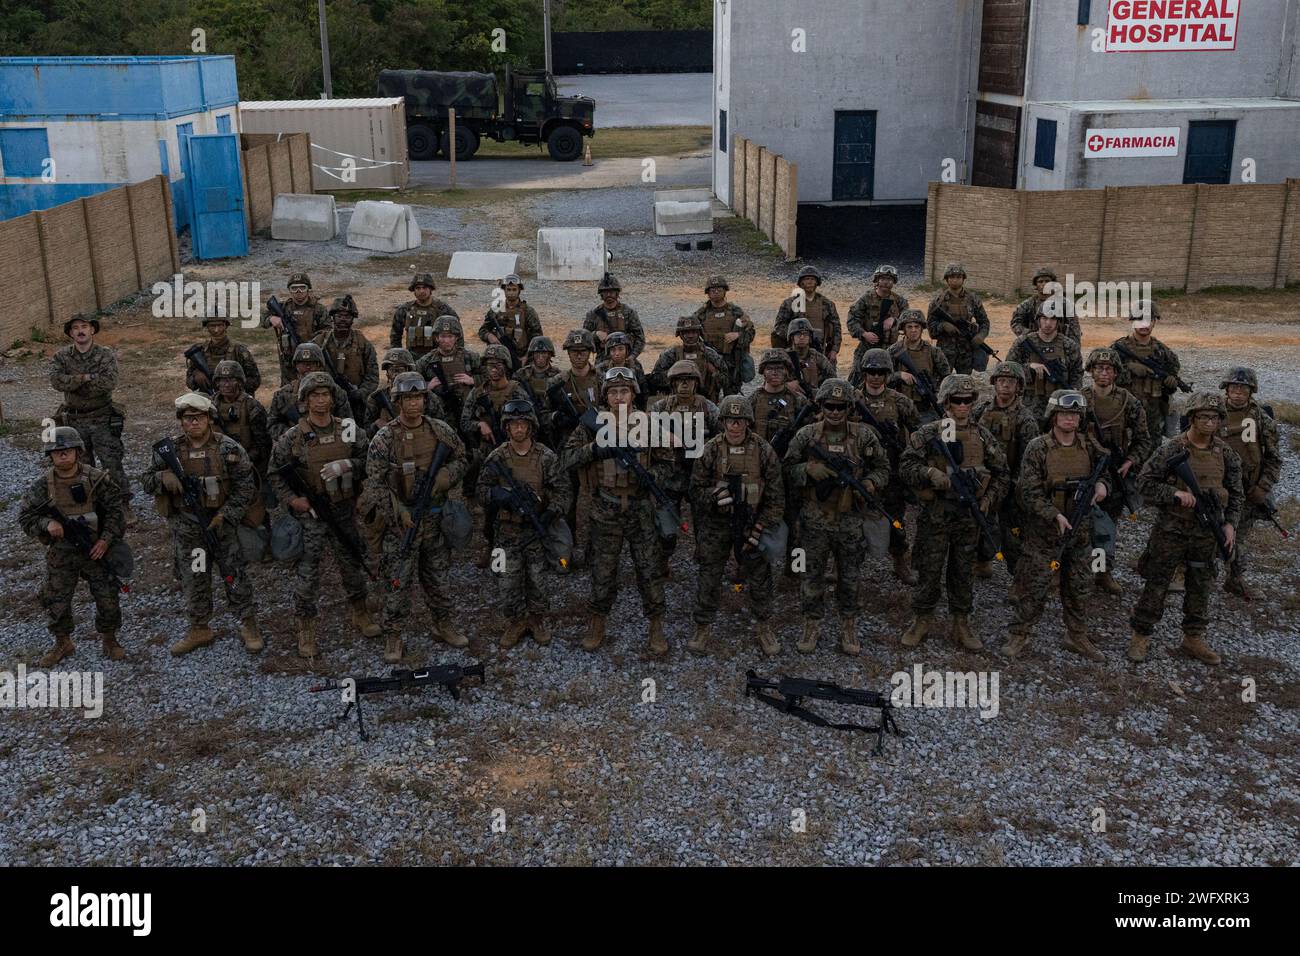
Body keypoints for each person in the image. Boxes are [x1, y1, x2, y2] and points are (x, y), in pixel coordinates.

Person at [360, 372, 470, 663]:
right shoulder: (384, 439)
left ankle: (442, 623)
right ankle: (393, 635)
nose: (414, 404)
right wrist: (399, 512)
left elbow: (462, 457)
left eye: (418, 397)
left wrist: (445, 476)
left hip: (433, 519)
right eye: (407, 398)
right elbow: (374, 483)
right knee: (397, 582)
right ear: (397, 402)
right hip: (401, 525)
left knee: (438, 578)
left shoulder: (440, 431)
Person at [268, 371, 379, 658]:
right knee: (308, 572)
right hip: (312, 517)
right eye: (314, 395)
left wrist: (348, 464)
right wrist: (294, 500)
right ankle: (305, 626)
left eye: (325, 394)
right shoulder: (292, 438)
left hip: (342, 510)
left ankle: (360, 612)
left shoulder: (349, 429)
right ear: (304, 401)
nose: (320, 400)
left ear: (333, 398)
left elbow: (371, 459)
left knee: (351, 563)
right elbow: (274, 474)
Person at [140, 392, 261, 656]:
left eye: (199, 418)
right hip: (189, 528)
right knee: (195, 578)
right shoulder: (169, 450)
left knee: (233, 575)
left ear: (209, 419)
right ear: (181, 421)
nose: (193, 423)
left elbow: (246, 487)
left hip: (222, 527)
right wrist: (164, 478)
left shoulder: (229, 448)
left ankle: (248, 623)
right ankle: (199, 628)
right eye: (188, 418)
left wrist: (226, 514)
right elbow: (146, 481)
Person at [1128, 392, 1243, 666]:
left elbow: (1237, 494)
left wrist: (1230, 525)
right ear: (1192, 418)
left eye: (1214, 418)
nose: (1209, 423)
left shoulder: (1225, 453)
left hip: (1207, 532)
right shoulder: (1171, 449)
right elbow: (1144, 482)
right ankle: (1140, 635)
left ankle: (1193, 637)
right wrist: (1174, 495)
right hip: (1172, 529)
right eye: (1203, 417)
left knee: (1201, 584)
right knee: (1157, 582)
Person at [899, 374, 1009, 651]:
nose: (962, 406)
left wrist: (988, 500)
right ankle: (921, 619)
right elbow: (905, 467)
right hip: (936, 514)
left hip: (968, 516)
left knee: (962, 572)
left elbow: (1002, 474)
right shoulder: (929, 433)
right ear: (946, 402)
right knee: (928, 569)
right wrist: (929, 472)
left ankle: (961, 622)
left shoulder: (983, 435)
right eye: (956, 401)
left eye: (968, 401)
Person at [562, 367, 666, 654]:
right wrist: (595, 449)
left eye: (625, 391)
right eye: (614, 392)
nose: (619, 397)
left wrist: (650, 476)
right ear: (606, 396)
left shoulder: (648, 423)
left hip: (640, 507)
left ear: (633, 394)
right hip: (605, 508)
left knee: (649, 569)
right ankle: (598, 621)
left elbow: (668, 464)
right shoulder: (590, 425)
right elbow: (567, 459)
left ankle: (656, 624)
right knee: (603, 570)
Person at [1003, 390, 1112, 661]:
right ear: (1053, 416)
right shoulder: (1038, 447)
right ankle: (1020, 633)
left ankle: (1076, 635)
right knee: (1034, 584)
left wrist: (1102, 486)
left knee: (1079, 585)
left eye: (1074, 415)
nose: (1069, 419)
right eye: (1064, 414)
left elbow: (1106, 472)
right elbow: (1028, 491)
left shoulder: (1089, 446)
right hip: (1044, 532)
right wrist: (1053, 515)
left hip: (1080, 529)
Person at [784, 379, 891, 656]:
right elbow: (785, 469)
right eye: (829, 406)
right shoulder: (806, 435)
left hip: (850, 520)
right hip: (814, 521)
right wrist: (807, 469)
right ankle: (811, 622)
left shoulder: (864, 436)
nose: (834, 412)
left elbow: (883, 467)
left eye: (840, 407)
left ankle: (848, 623)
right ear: (821, 406)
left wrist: (870, 483)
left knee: (850, 576)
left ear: (849, 408)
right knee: (811, 575)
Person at [19, 427, 127, 666]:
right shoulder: (42, 486)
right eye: (57, 453)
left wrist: (105, 540)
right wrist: (47, 523)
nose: (63, 456)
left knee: (108, 596)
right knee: (55, 598)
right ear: (51, 457)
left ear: (78, 452)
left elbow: (116, 513)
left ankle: (109, 639)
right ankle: (62, 642)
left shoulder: (97, 479)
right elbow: (25, 517)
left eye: (67, 451)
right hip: (62, 551)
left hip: (95, 549)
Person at [687, 395, 786, 656]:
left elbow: (776, 496)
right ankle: (703, 624)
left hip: (751, 522)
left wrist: (762, 526)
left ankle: (764, 625)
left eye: (740, 420)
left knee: (760, 574)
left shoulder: (763, 450)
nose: (735, 426)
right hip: (717, 523)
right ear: (722, 422)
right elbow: (694, 490)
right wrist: (712, 497)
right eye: (730, 420)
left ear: (748, 422)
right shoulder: (710, 449)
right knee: (709, 572)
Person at [476, 399, 573, 649]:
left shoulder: (545, 456)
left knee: (538, 580)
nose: (518, 429)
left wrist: (549, 513)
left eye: (523, 424)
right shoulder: (497, 457)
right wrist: (501, 496)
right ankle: (516, 621)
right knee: (506, 581)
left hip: (536, 531)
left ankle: (536, 620)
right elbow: (481, 490)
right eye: (513, 425)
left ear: (531, 427)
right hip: (505, 533)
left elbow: (564, 491)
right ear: (506, 428)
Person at [1079, 348, 1152, 594]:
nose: (1104, 373)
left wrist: (1131, 460)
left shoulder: (1129, 403)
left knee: (1105, 527)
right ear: (1091, 371)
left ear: (1116, 373)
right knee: (1074, 523)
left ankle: (1101, 572)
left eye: (1109, 369)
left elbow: (1144, 439)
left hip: (1114, 472)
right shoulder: (1079, 399)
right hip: (1083, 470)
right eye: (1099, 368)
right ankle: (1066, 572)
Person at [50, 314, 133, 521]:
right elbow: (57, 381)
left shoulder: (105, 355)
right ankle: (88, 505)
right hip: (75, 421)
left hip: (103, 417)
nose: (80, 330)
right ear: (70, 333)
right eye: (75, 328)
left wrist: (75, 384)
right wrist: (86, 378)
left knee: (111, 463)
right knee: (81, 466)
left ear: (92, 330)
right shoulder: (62, 357)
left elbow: (109, 382)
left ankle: (121, 505)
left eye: (84, 326)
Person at [853, 349, 922, 584]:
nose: (875, 377)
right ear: (864, 372)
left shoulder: (900, 401)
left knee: (895, 519)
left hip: (892, 470)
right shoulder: (852, 401)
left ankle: (900, 562)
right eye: (871, 372)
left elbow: (917, 432)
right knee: (852, 519)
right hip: (860, 470)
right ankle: (846, 566)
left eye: (880, 372)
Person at [650, 360, 720, 578]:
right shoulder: (660, 407)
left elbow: (722, 438)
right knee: (665, 527)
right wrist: (665, 437)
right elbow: (646, 432)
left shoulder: (707, 407)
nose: (683, 385)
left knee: (706, 523)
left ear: (696, 383)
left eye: (688, 380)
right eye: (679, 381)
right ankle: (662, 561)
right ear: (672, 383)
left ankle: (706, 563)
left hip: (699, 475)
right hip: (669, 476)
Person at [1217, 367, 1282, 600]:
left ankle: (1234, 579)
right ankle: (1182, 574)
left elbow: (1274, 458)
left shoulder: (1261, 419)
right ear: (1226, 389)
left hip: (1247, 491)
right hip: (1216, 486)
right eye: (1234, 387)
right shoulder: (1212, 413)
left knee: (1238, 537)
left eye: (1243, 389)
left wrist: (1263, 487)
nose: (1237, 393)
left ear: (1251, 392)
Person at [971, 362, 1041, 578]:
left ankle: (1018, 578)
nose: (1005, 386)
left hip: (1011, 482)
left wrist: (1017, 484)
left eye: (1010, 382)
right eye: (1001, 381)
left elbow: (1029, 458)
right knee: (983, 523)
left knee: (1013, 535)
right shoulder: (981, 410)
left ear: (1018, 386)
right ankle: (982, 561)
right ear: (994, 384)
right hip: (985, 480)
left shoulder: (1025, 418)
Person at [1111, 299, 1180, 454]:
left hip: (1152, 412)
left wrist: (1171, 384)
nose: (1144, 324)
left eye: (1149, 320)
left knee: (1152, 450)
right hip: (1124, 409)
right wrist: (1128, 368)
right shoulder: (1118, 348)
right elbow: (1104, 378)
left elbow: (1171, 378)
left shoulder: (1163, 352)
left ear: (1155, 322)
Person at [1008, 309, 1083, 421]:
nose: (1048, 323)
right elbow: (1008, 369)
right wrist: (1029, 367)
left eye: (1053, 319)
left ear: (1058, 322)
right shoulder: (1023, 342)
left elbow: (1077, 372)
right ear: (1038, 320)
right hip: (1028, 402)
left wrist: (1073, 392)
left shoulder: (1069, 345)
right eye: (1044, 318)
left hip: (1060, 405)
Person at [267, 342, 352, 441]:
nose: (308, 367)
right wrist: (294, 434)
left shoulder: (336, 391)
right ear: (296, 366)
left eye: (312, 363)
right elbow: (272, 424)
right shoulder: (283, 395)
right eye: (303, 364)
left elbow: (348, 423)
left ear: (320, 366)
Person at [313, 295, 378, 420]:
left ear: (353, 319)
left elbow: (373, 374)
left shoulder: (362, 343)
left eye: (347, 316)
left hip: (356, 402)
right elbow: (307, 370)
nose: (343, 320)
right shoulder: (320, 342)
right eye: (339, 316)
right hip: (325, 401)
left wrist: (360, 393)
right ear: (332, 318)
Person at [264, 272, 329, 386]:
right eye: (294, 288)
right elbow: (262, 318)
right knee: (289, 390)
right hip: (288, 360)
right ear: (289, 290)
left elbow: (328, 330)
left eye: (302, 288)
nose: (298, 292)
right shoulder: (283, 308)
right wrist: (271, 319)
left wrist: (311, 344)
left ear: (308, 289)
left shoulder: (319, 309)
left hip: (312, 359)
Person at [692, 276, 756, 392]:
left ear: (725, 291)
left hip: (732, 360)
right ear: (708, 293)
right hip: (710, 360)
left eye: (719, 289)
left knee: (731, 394)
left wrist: (738, 335)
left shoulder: (735, 311)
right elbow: (690, 334)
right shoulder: (701, 314)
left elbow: (751, 331)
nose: (716, 292)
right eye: (712, 290)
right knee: (708, 393)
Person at [772, 265, 842, 371]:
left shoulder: (827, 304)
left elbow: (837, 328)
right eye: (806, 279)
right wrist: (794, 336)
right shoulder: (790, 303)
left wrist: (834, 350)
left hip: (821, 349)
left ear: (817, 282)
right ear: (801, 283)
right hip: (796, 350)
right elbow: (779, 326)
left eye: (812, 279)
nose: (809, 282)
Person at [366, 347, 447, 437]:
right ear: (387, 373)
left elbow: (442, 426)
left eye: (400, 370)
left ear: (409, 370)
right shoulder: (376, 398)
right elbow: (366, 432)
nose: (395, 374)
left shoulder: (427, 397)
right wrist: (375, 425)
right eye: (392, 370)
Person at [416, 315, 481, 425]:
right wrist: (426, 386)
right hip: (438, 415)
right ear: (437, 338)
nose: (447, 340)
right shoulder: (427, 361)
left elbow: (490, 378)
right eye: (443, 336)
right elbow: (411, 382)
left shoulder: (470, 357)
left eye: (450, 336)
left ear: (456, 338)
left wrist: (473, 380)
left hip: (467, 411)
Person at [927, 263, 992, 374]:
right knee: (942, 381)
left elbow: (984, 322)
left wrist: (981, 336)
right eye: (952, 277)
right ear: (947, 279)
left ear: (963, 279)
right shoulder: (938, 301)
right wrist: (943, 326)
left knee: (965, 382)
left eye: (958, 277)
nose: (955, 280)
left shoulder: (973, 299)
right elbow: (931, 328)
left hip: (966, 350)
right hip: (945, 350)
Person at [886, 310, 950, 419]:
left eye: (917, 327)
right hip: (899, 406)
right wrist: (899, 375)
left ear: (921, 329)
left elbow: (947, 378)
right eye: (909, 327)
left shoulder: (933, 352)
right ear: (903, 329)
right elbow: (880, 379)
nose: (913, 330)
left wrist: (935, 389)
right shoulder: (893, 351)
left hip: (926, 406)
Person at [648, 315, 727, 402]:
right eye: (686, 332)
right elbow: (654, 380)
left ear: (699, 333)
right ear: (680, 335)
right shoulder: (671, 354)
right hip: (676, 402)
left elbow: (726, 381)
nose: (690, 336)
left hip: (706, 402)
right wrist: (672, 373)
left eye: (693, 332)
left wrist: (714, 373)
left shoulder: (710, 354)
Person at [847, 264, 906, 367]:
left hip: (890, 348)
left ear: (894, 282)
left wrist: (895, 319)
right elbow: (852, 320)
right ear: (877, 280)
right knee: (858, 376)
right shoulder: (866, 299)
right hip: (867, 346)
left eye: (890, 280)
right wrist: (865, 334)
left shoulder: (899, 301)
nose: (886, 282)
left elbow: (909, 319)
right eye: (883, 279)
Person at [478, 274, 542, 370]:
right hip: (498, 357)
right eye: (508, 289)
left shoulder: (527, 311)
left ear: (519, 290)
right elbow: (483, 330)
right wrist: (489, 336)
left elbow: (537, 337)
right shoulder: (496, 309)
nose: (511, 293)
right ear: (504, 290)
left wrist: (527, 356)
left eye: (514, 290)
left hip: (521, 356)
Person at [186, 315, 261, 395]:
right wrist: (196, 376)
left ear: (226, 326)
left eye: (220, 325)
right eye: (212, 326)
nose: (216, 330)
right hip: (208, 400)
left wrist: (234, 386)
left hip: (234, 400)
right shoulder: (200, 351)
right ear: (207, 327)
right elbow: (189, 383)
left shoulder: (239, 351)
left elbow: (255, 380)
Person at [390, 273, 459, 357]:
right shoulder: (405, 309)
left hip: (437, 357)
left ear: (430, 289)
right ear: (414, 291)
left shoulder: (443, 309)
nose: (421, 291)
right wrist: (398, 355)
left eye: (425, 288)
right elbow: (395, 335)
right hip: (412, 356)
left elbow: (457, 332)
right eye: (418, 288)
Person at [512, 336, 562, 448]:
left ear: (550, 355)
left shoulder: (558, 376)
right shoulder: (521, 374)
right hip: (527, 421)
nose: (540, 357)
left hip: (551, 424)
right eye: (537, 353)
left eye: (544, 353)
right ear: (532, 355)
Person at [583, 273, 645, 360]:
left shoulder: (628, 312)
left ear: (617, 293)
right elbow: (583, 339)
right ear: (601, 294)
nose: (608, 295)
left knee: (637, 372)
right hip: (603, 358)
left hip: (626, 358)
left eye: (611, 292)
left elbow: (640, 338)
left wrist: (632, 356)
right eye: (605, 292)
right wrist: (595, 335)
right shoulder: (594, 314)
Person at [1011, 267, 1081, 341]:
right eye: (1040, 281)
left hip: (1059, 344)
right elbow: (1016, 323)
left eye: (1047, 281)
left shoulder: (1065, 304)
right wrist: (1031, 335)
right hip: (1034, 343)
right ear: (1036, 285)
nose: (1044, 284)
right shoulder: (1027, 305)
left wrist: (1071, 347)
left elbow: (1074, 329)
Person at [595, 331, 650, 409]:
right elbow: (599, 395)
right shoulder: (600, 369)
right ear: (609, 352)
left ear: (627, 350)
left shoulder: (635, 367)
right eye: (613, 350)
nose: (617, 353)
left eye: (621, 349)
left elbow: (643, 394)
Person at [786, 318, 834, 398]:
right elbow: (769, 383)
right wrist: (786, 386)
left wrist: (820, 392)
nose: (802, 337)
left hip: (813, 399)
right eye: (798, 334)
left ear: (810, 337)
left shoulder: (818, 357)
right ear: (792, 337)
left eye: (805, 334)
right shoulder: (784, 357)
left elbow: (832, 379)